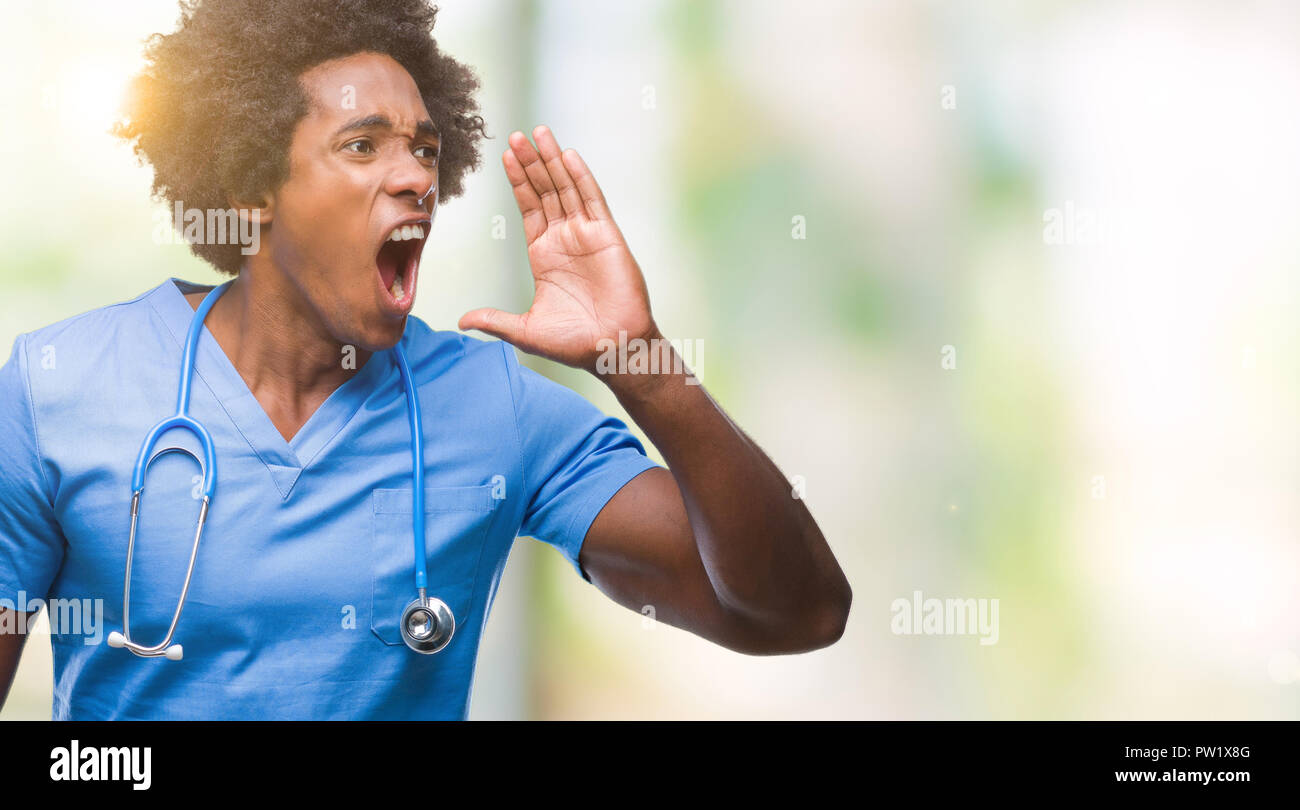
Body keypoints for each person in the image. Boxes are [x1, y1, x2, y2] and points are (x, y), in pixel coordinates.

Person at [0, 0, 851, 719]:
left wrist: (643, 362)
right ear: (251, 186)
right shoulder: (57, 387)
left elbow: (798, 612)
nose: (415, 178)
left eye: (426, 150)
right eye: (364, 146)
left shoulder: (492, 408)